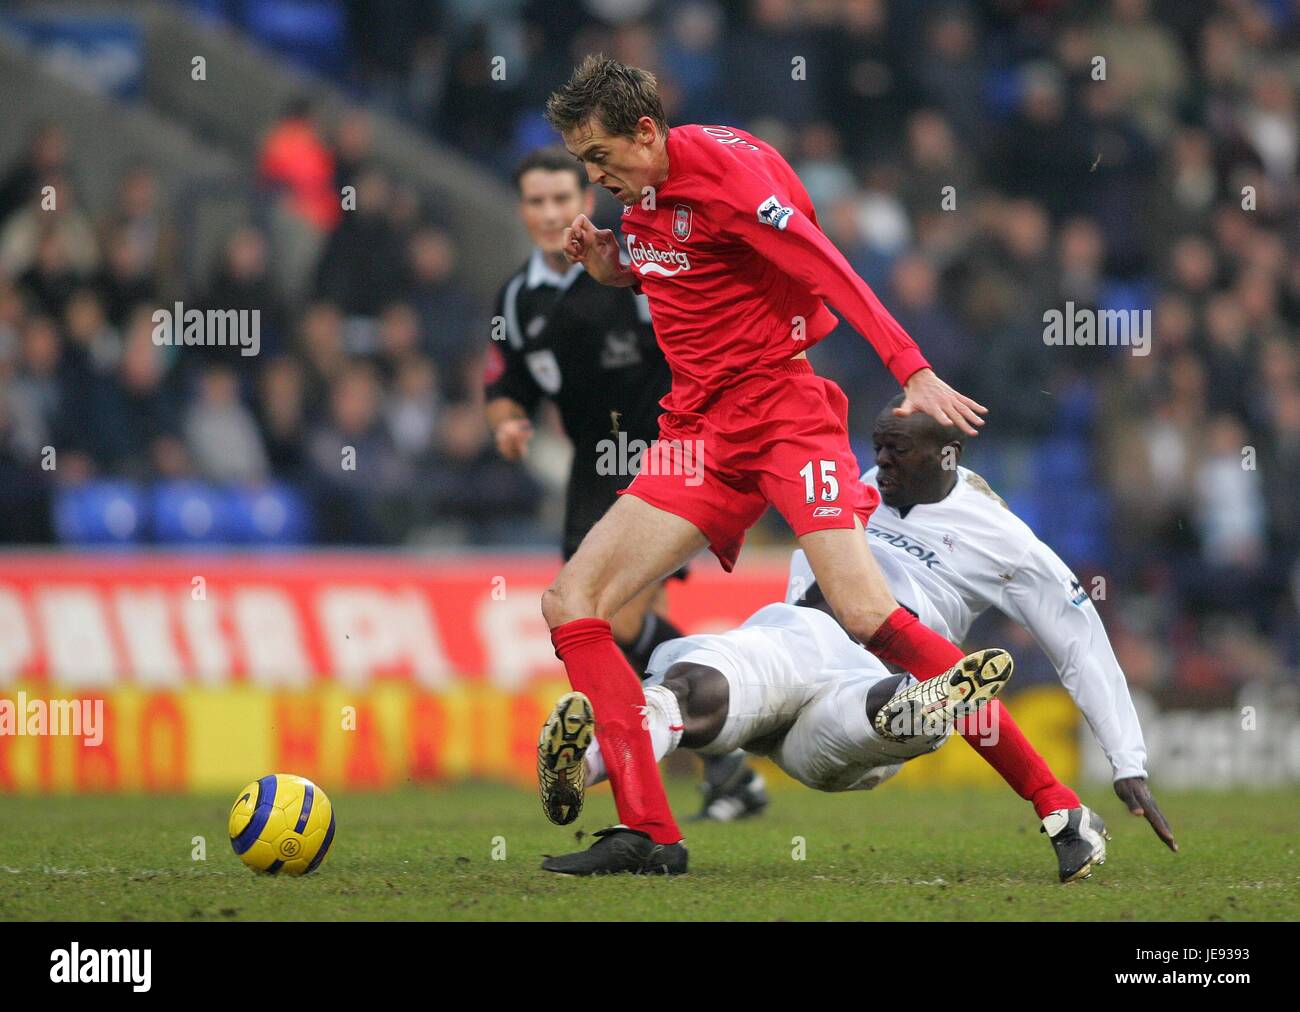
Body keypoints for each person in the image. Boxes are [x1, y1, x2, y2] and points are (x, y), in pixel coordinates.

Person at [535, 57, 1079, 877]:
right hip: (700, 435)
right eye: (585, 161)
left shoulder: (728, 180)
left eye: (601, 156)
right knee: (571, 599)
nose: (594, 175)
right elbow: (679, 269)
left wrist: (911, 367)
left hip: (786, 416)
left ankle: (1059, 806)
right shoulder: (643, 196)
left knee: (868, 614)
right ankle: (647, 830)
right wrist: (614, 267)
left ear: (647, 131)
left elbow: (828, 267)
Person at [486, 147, 768, 821]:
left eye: (564, 199)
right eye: (538, 202)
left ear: (585, 202)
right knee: (591, 622)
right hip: (590, 469)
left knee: (614, 620)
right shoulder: (516, 299)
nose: (552, 213)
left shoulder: (626, 272)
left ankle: (700, 748)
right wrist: (507, 420)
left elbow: (693, 339)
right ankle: (726, 756)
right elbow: (507, 383)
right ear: (523, 210)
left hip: (659, 457)